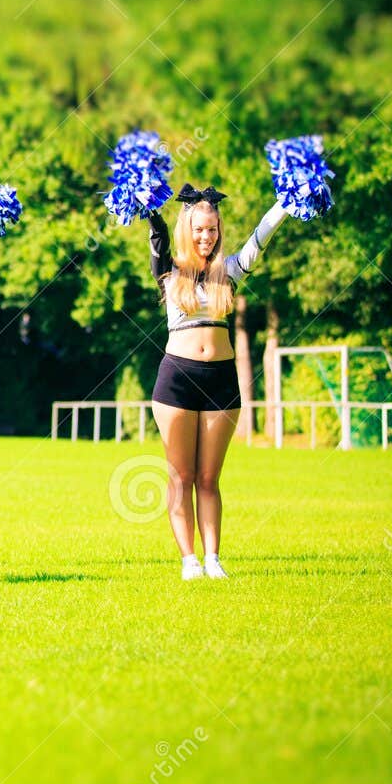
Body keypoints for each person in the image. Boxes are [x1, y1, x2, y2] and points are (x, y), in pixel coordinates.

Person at [147, 184, 288, 580]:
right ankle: (188, 560)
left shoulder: (228, 271)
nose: (205, 237)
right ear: (186, 229)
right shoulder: (169, 269)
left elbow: (260, 239)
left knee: (209, 478)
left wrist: (286, 204)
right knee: (182, 476)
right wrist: (147, 204)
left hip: (222, 381)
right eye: (198, 229)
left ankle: (213, 559)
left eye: (212, 229)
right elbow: (156, 234)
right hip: (177, 380)